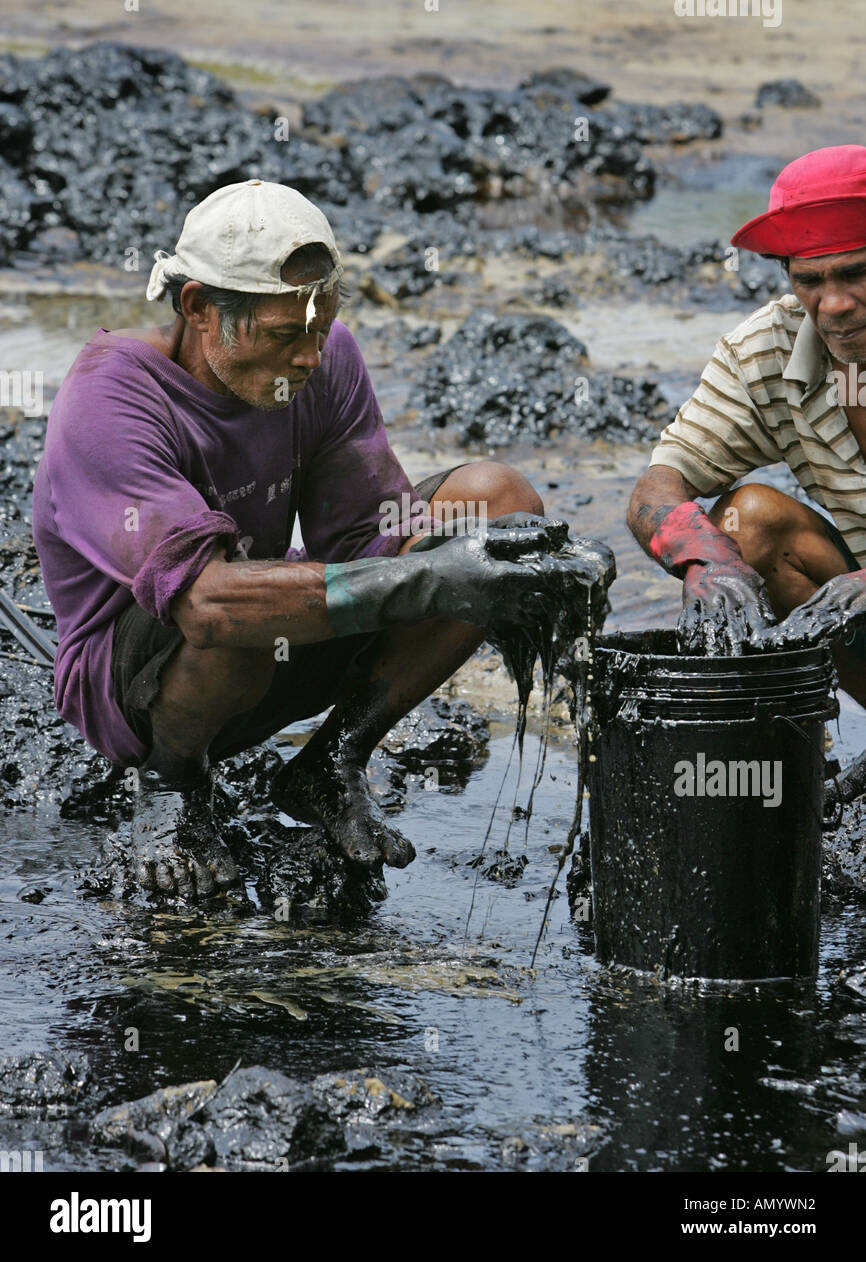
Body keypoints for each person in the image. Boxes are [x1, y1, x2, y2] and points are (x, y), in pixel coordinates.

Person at [33, 179, 593, 899]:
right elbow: (204, 603)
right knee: (237, 618)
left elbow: (366, 532)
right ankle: (173, 787)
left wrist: (501, 565)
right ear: (199, 308)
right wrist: (433, 579)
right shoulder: (110, 398)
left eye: (321, 326)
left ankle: (332, 763)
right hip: (140, 681)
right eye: (284, 335)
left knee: (498, 510)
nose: (308, 357)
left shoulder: (321, 359)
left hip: (267, 633)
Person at [627, 144, 866, 706]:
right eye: (810, 280)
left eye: (856, 274)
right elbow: (658, 488)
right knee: (747, 522)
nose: (832, 305)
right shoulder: (764, 349)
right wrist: (705, 563)